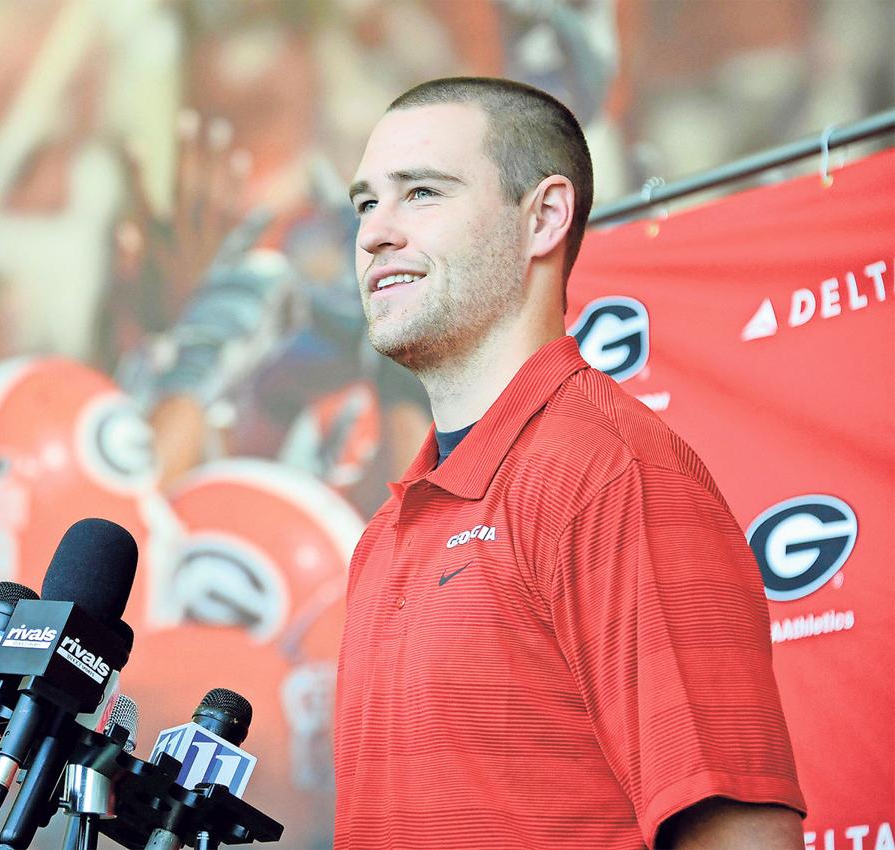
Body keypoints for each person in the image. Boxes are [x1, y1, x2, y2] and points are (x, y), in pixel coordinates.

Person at [333, 77, 805, 850]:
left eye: (420, 193)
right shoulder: (384, 533)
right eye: (364, 203)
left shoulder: (612, 473)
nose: (375, 232)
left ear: (544, 217)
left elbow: (742, 837)